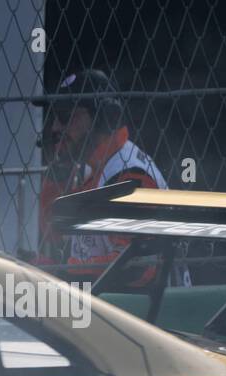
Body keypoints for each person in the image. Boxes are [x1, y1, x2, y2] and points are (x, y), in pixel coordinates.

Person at [35, 69, 172, 279]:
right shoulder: (90, 167)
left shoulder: (129, 175)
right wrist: (55, 180)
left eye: (66, 116)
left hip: (143, 307)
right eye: (54, 117)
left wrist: (61, 275)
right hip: (107, 302)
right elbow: (59, 240)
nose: (55, 127)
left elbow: (138, 267)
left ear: (103, 118)